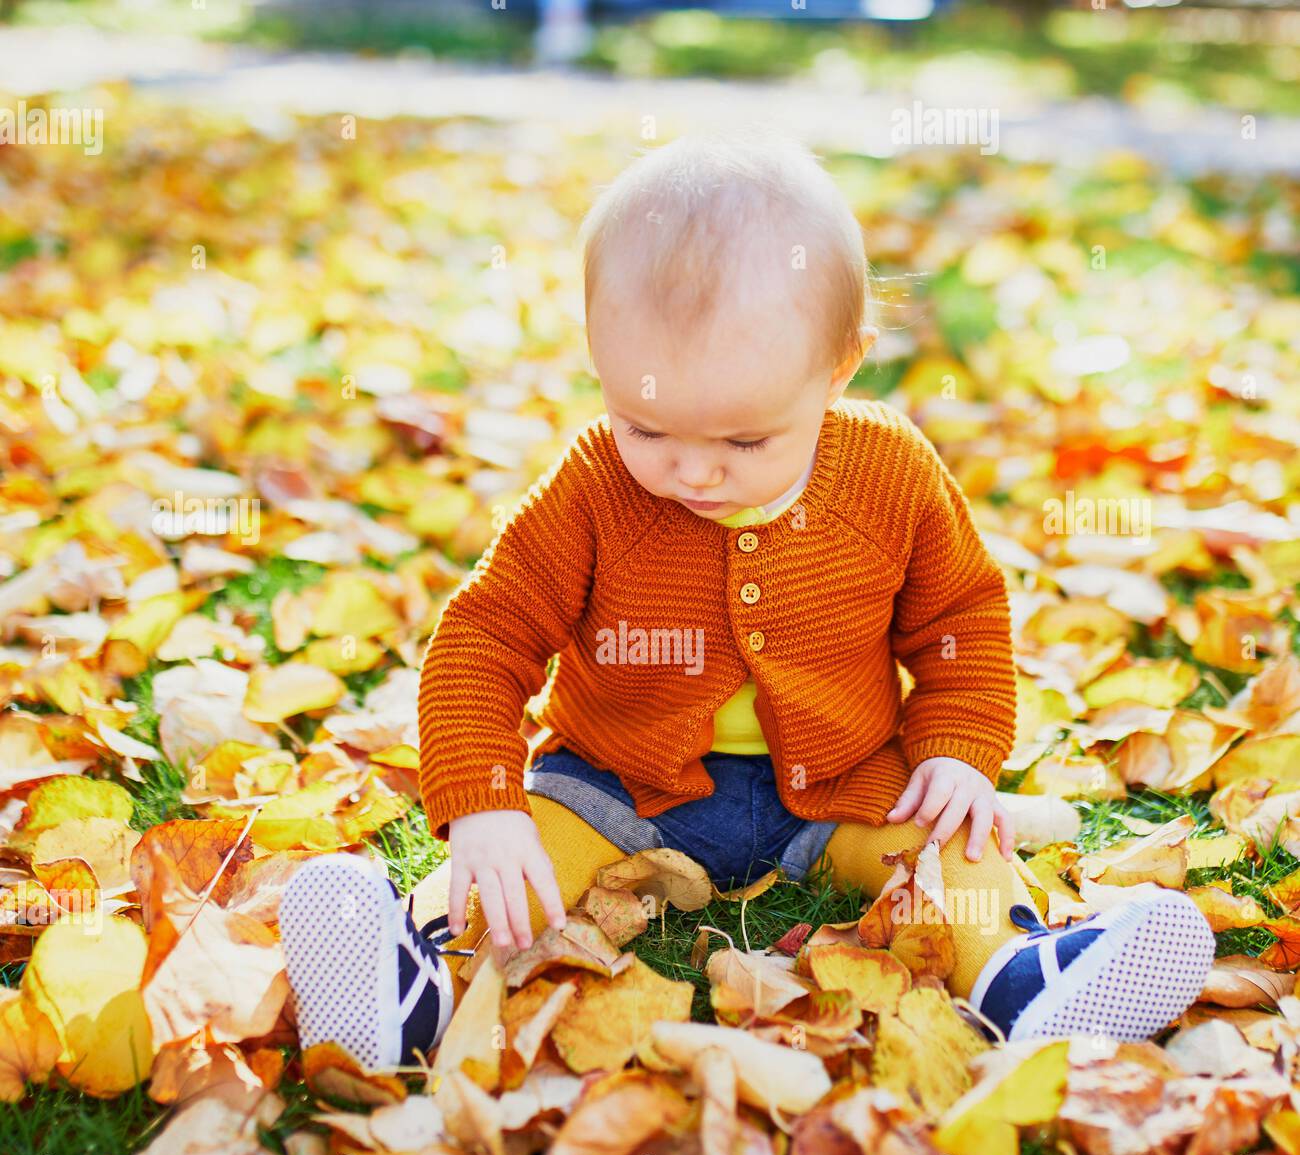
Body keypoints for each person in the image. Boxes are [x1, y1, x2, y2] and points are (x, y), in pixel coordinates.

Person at [279, 130, 1214, 1070]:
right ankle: (413, 975)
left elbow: (960, 621)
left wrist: (960, 753)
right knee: (524, 856)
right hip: (618, 783)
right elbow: (486, 636)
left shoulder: (889, 475)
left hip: (844, 787)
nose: (692, 470)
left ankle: (1020, 977)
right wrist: (482, 798)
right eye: (646, 425)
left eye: (747, 441)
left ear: (841, 366)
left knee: (947, 843)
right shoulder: (595, 486)